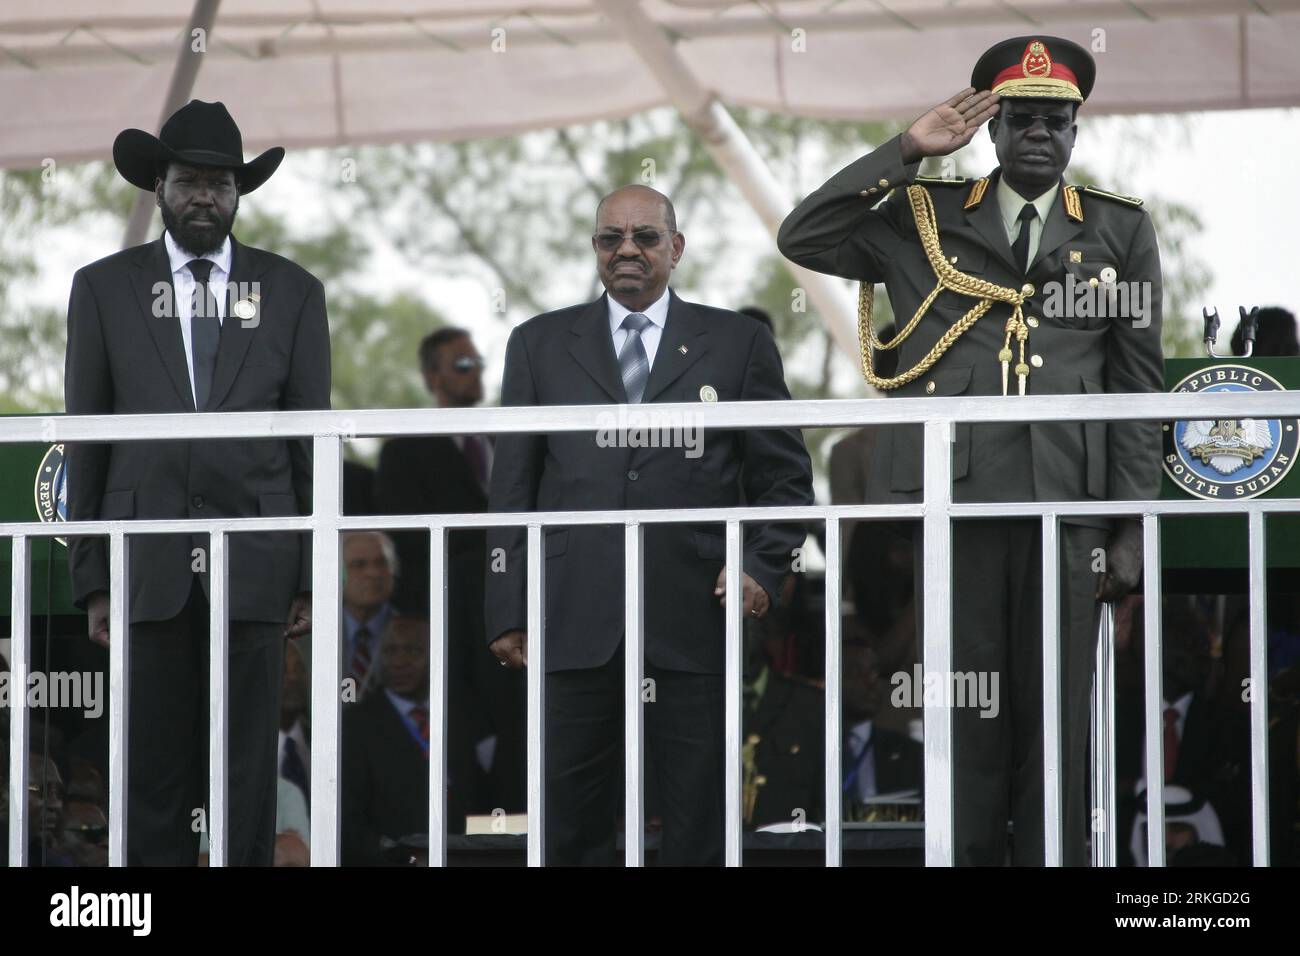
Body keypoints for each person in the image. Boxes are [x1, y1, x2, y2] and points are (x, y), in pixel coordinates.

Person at [779, 36, 1164, 865]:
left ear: (1074, 132)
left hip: (1072, 506)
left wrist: (1132, 525)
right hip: (960, 499)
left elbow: (1139, 391)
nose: (1038, 133)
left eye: (1054, 120)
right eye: (1020, 117)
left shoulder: (1119, 231)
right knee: (968, 714)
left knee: (1060, 720)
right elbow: (804, 235)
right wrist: (907, 151)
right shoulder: (923, 216)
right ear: (992, 129)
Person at [485, 184, 815, 865]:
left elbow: (784, 480)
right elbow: (512, 488)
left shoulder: (738, 342)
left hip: (695, 615)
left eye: (645, 237)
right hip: (573, 617)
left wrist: (760, 564)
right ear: (596, 248)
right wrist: (507, 607)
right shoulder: (538, 344)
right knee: (568, 824)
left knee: (699, 822)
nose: (627, 250)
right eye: (611, 238)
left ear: (677, 248)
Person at [64, 99, 331, 865]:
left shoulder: (292, 291)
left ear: (239, 193)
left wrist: (310, 570)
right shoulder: (104, 288)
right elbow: (87, 441)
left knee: (246, 768)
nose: (204, 196)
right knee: (149, 766)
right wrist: (95, 581)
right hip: (146, 565)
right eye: (189, 181)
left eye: (219, 183)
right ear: (160, 188)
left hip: (256, 561)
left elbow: (312, 443)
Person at [375, 327, 526, 813]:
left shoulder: (516, 439)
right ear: (431, 377)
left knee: (526, 733)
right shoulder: (405, 450)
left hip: (526, 616)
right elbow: (408, 548)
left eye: (478, 362)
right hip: (452, 629)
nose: (475, 372)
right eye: (462, 365)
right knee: (468, 743)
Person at [341, 616, 473, 864]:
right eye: (390, 651)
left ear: (436, 655)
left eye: (413, 650)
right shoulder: (356, 725)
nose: (400, 662)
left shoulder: (463, 717)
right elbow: (348, 819)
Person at [339, 530, 398, 700]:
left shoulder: (414, 634)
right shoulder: (316, 635)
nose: (373, 573)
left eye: (381, 563)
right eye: (359, 564)